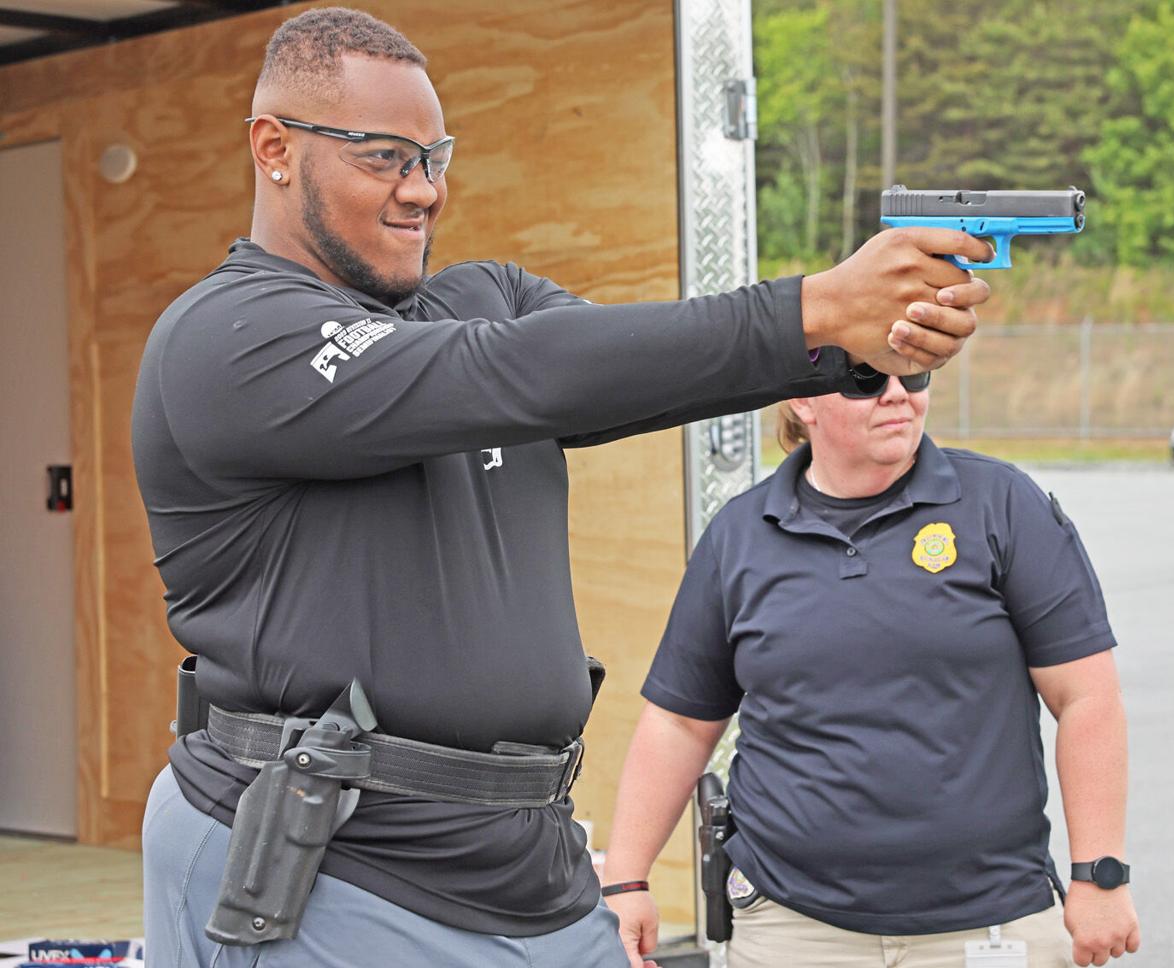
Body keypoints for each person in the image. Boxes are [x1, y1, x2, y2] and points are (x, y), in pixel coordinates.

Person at [131, 7, 993, 968]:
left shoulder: (484, 298)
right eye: (384, 157)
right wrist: (813, 304)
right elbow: (509, 375)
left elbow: (612, 368)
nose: (425, 190)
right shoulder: (227, 338)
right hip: (335, 874)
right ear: (274, 148)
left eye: (435, 156)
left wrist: (850, 344)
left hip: (533, 869)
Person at [603, 373, 1141, 968]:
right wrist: (627, 882)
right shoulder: (740, 535)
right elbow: (679, 721)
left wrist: (1101, 875)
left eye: (912, 373)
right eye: (863, 378)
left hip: (986, 923)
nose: (896, 393)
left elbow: (1087, 698)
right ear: (802, 400)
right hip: (792, 928)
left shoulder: (1001, 504)